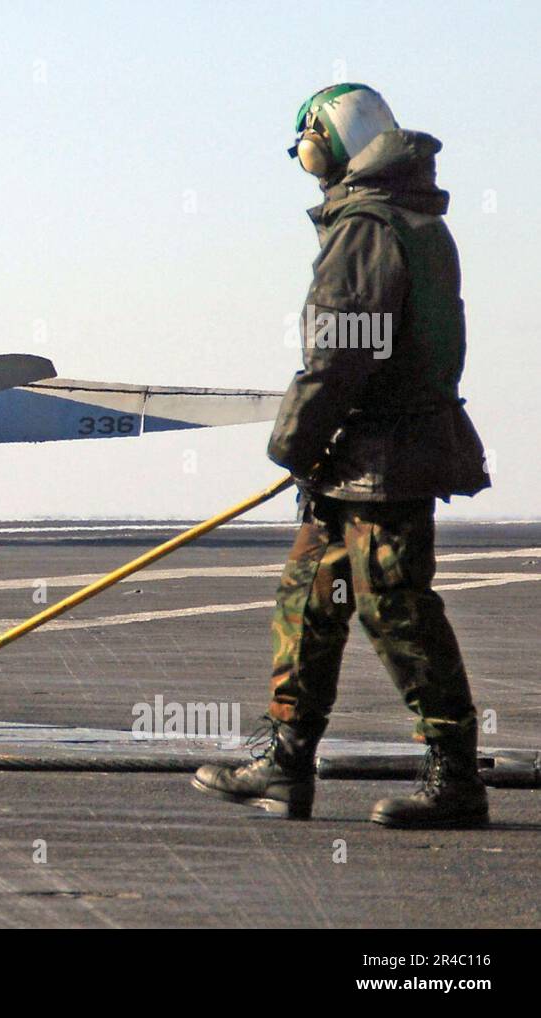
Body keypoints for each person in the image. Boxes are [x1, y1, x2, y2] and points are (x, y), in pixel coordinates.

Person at [191, 83, 492, 828]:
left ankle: (456, 778)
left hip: (380, 459)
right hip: (359, 457)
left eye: (303, 141)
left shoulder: (367, 226)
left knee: (397, 609)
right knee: (308, 599)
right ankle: (286, 765)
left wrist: (292, 440)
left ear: (325, 140)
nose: (301, 156)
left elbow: (339, 354)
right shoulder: (412, 220)